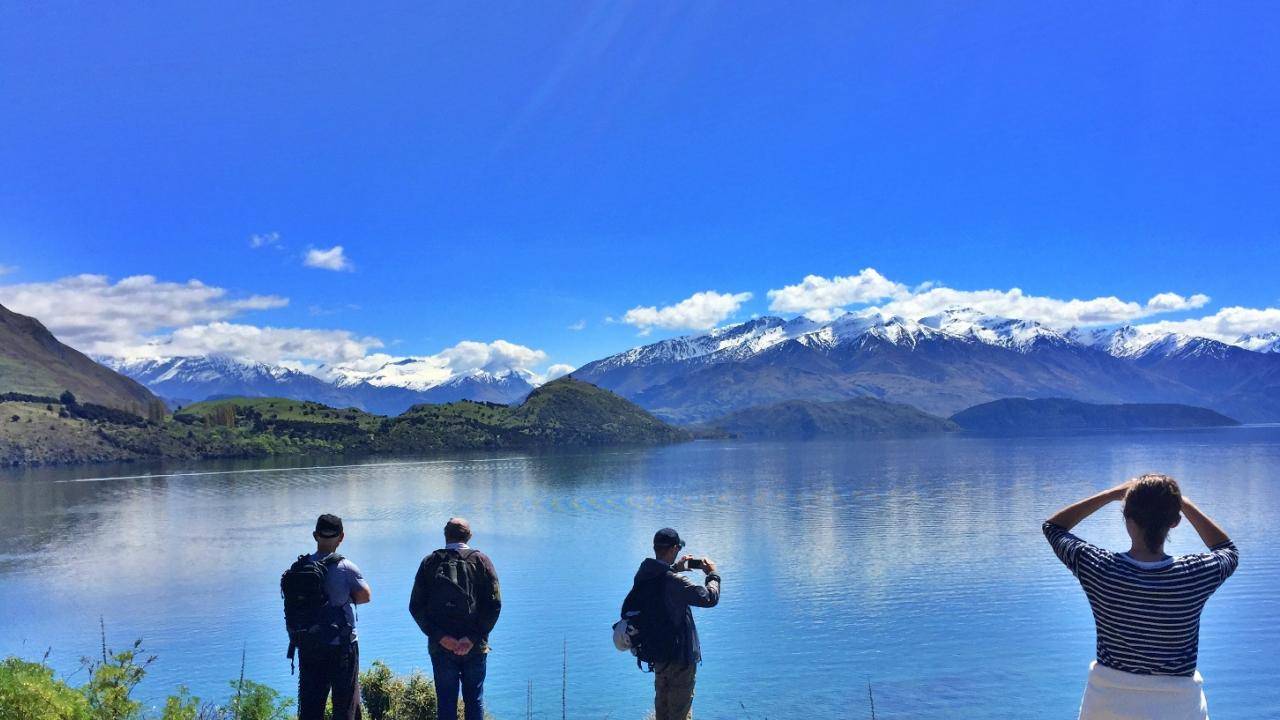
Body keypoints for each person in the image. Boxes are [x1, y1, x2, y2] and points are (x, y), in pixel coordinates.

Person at [1043, 474, 1238, 720]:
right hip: (1178, 710)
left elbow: (1053, 527)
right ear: (1174, 522)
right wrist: (1184, 504)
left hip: (1107, 706)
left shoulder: (1101, 568)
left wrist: (1112, 494)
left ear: (1127, 519)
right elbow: (1228, 550)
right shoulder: (1193, 574)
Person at [622, 527, 721, 720]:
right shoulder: (673, 581)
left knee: (663, 712)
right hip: (680, 658)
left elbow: (661, 583)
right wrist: (712, 575)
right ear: (674, 548)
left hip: (658, 655)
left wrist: (675, 568)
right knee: (679, 714)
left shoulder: (644, 575)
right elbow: (709, 598)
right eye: (678, 548)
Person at [408, 517, 502, 720]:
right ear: (469, 535)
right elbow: (494, 605)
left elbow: (416, 607)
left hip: (441, 647)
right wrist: (472, 638)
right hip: (475, 647)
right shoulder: (481, 561)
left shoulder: (430, 563)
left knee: (446, 701)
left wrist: (440, 637)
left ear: (445, 535)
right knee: (474, 699)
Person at [295, 514, 372, 720]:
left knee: (311, 705)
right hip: (342, 646)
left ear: (315, 535)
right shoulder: (345, 567)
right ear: (341, 537)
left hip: (309, 645)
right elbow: (365, 596)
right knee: (346, 704)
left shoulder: (301, 567)